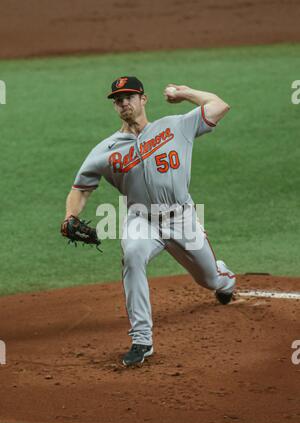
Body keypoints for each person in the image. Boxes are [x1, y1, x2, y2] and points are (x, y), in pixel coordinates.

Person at [62, 76, 236, 367]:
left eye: (129, 97)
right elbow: (80, 188)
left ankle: (224, 279)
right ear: (115, 107)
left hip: (182, 218)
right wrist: (70, 216)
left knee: (208, 280)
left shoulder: (176, 125)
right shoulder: (106, 150)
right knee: (132, 255)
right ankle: (142, 339)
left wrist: (185, 93)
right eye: (118, 100)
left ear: (143, 99)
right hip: (140, 220)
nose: (124, 103)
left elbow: (220, 106)